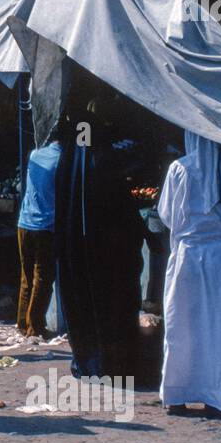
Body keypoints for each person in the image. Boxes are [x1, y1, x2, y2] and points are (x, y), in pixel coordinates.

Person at [156, 132, 221, 417]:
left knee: (183, 325)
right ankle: (219, 395)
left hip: (188, 255)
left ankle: (178, 394)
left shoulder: (179, 169)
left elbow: (166, 214)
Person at [53, 107, 145, 377]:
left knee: (81, 305)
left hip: (75, 255)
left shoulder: (67, 166)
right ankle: (115, 363)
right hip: (110, 255)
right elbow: (126, 211)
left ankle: (88, 361)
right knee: (111, 305)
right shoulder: (105, 162)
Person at [15, 139, 63, 340]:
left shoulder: (35, 154)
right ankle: (35, 326)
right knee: (42, 279)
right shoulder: (63, 160)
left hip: (24, 223)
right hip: (45, 227)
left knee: (26, 276)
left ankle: (22, 323)